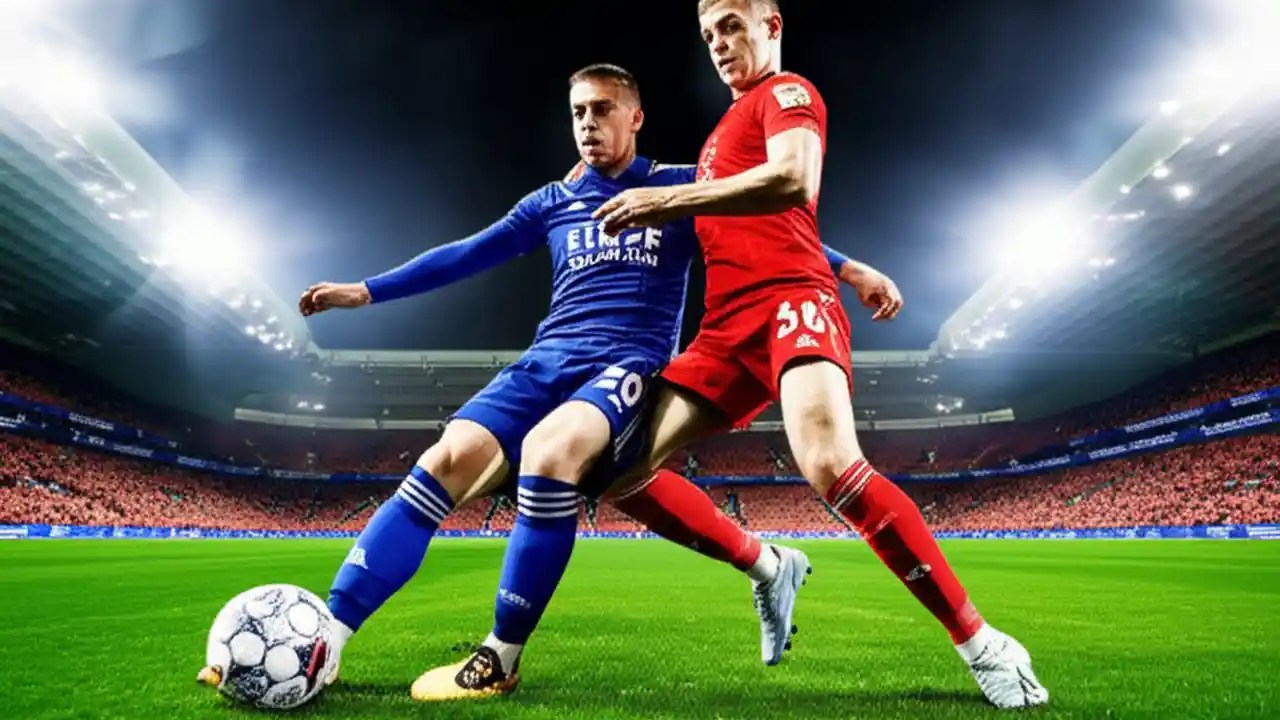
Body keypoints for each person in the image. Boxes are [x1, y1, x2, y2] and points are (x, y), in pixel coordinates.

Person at [419, 0, 1046, 710]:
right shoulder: (721, 136)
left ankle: (981, 640)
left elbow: (792, 181)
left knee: (830, 465)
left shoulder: (786, 93)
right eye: (709, 33)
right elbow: (748, 210)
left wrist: (675, 203)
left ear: (771, 25)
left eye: (732, 25)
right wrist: (856, 266)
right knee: (615, 470)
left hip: (789, 303)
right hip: (724, 329)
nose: (720, 43)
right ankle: (768, 566)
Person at [197, 62, 885, 695]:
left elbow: (766, 228)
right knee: (443, 461)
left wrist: (848, 269)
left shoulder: (678, 187)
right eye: (579, 111)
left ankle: (501, 656)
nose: (589, 123)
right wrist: (365, 291)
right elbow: (465, 255)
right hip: (545, 359)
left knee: (551, 454)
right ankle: (331, 635)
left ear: (635, 117)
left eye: (604, 110)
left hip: (627, 364)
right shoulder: (550, 202)